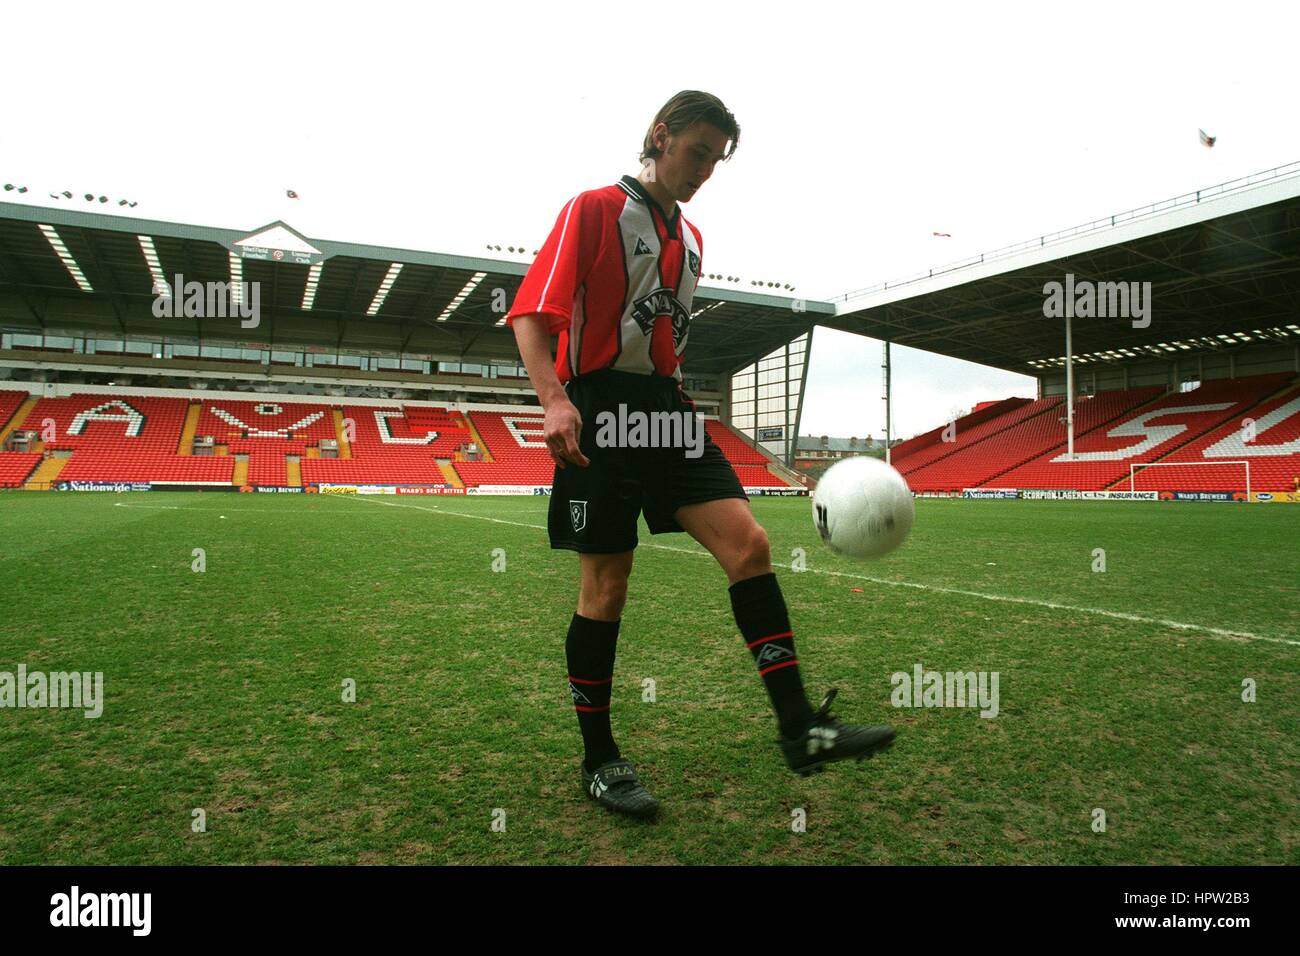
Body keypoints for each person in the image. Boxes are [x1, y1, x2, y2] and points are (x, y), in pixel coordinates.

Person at [507, 90, 895, 820]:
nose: (704, 171)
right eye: (696, 153)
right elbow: (531, 313)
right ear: (660, 136)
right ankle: (598, 760)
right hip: (601, 409)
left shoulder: (693, 237)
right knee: (607, 587)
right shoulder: (593, 209)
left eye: (716, 161)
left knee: (749, 545)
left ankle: (800, 727)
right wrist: (556, 400)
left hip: (667, 412)